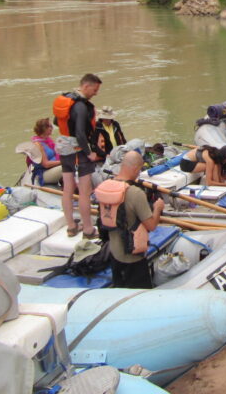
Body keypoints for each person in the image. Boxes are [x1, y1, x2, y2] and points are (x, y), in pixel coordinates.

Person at [103, 151, 164, 289]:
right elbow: (151, 225)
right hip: (133, 258)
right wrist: (158, 208)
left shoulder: (106, 186)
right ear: (136, 169)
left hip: (114, 252)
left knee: (120, 289)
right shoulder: (136, 193)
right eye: (139, 170)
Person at [53, 73, 102, 238]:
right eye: (94, 90)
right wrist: (89, 153)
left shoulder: (66, 100)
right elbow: (81, 133)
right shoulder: (80, 106)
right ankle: (88, 229)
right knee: (84, 192)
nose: (96, 93)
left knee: (67, 189)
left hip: (63, 147)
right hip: (77, 151)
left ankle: (71, 227)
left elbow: (55, 122)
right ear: (86, 86)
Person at [29, 118, 62, 186]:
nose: (52, 128)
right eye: (50, 126)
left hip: (52, 168)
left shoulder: (48, 140)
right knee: (68, 166)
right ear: (44, 128)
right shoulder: (38, 144)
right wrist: (63, 162)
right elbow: (46, 164)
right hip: (44, 173)